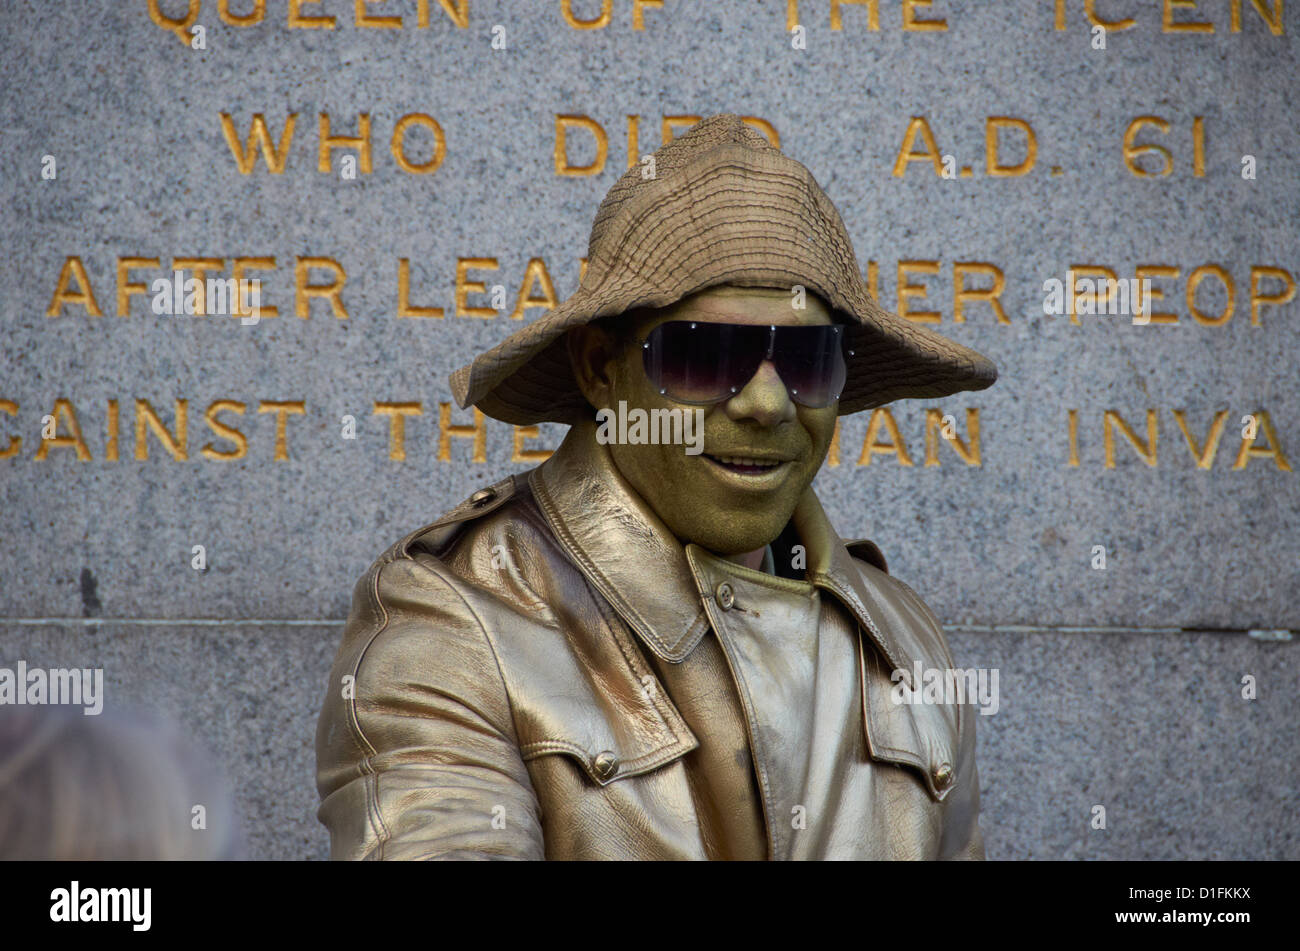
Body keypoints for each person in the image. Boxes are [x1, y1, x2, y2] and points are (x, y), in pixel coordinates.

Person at [316, 113, 997, 860]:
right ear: (600, 369)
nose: (767, 403)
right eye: (708, 355)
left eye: (805, 359)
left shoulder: (901, 637)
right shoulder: (451, 624)